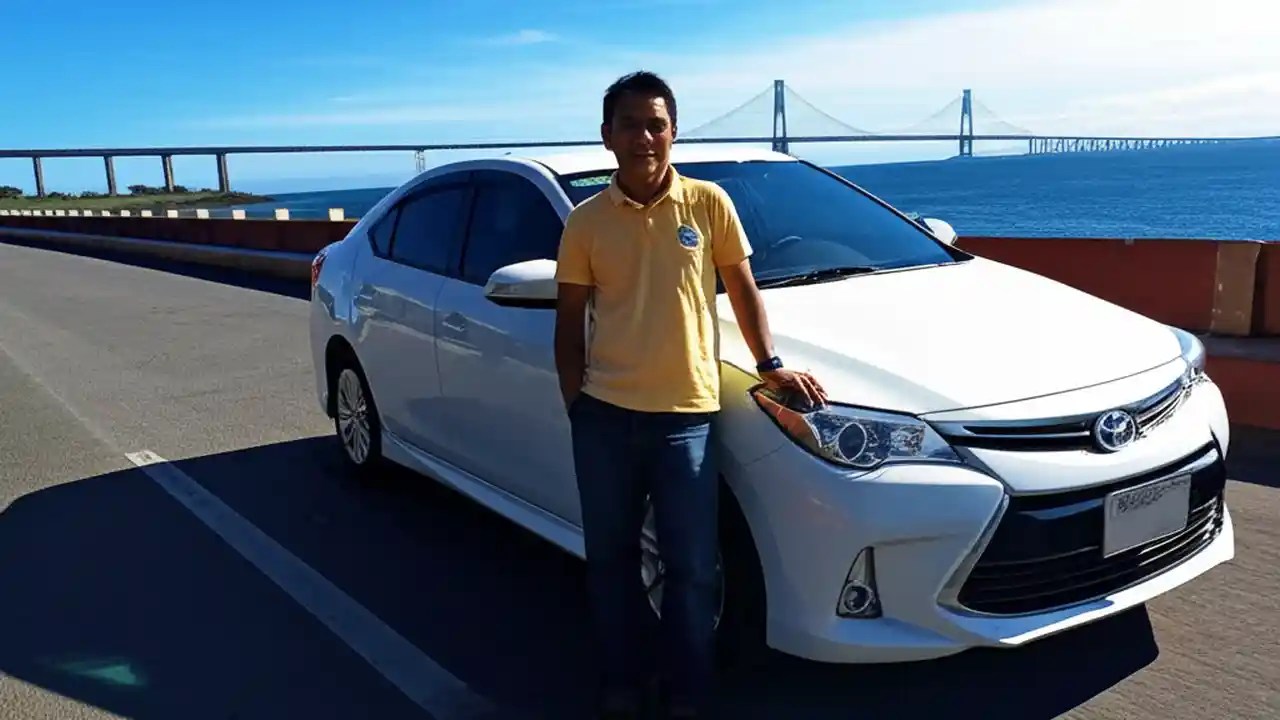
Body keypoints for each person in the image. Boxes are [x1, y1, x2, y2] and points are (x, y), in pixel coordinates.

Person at [553, 71, 827, 719]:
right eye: (630, 125)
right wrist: (579, 409)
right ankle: (623, 683)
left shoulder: (708, 204)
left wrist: (769, 365)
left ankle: (688, 693)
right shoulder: (585, 222)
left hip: (686, 421)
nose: (644, 138)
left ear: (673, 131)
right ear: (607, 135)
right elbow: (568, 325)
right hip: (606, 419)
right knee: (611, 563)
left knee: (693, 570)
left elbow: (743, 289)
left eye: (656, 124)